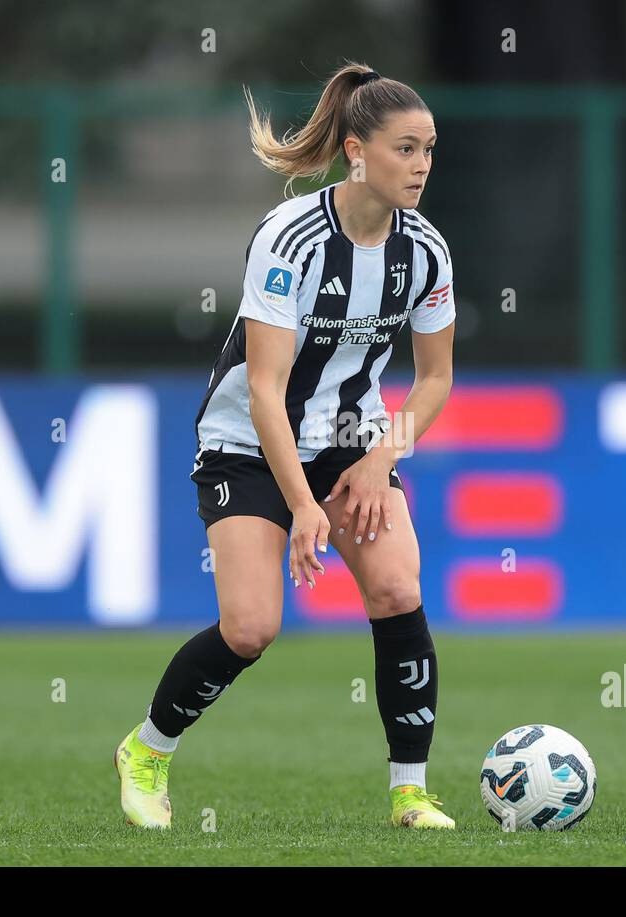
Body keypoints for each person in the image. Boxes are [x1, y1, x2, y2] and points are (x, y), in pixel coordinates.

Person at [115, 60, 456, 829]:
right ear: (356, 152)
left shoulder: (426, 250)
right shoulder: (290, 236)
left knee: (399, 589)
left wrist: (380, 458)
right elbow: (266, 389)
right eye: (406, 149)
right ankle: (146, 750)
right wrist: (304, 507)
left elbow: (434, 380)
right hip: (247, 439)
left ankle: (410, 791)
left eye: (430, 149)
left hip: (347, 436)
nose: (422, 165)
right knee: (251, 629)